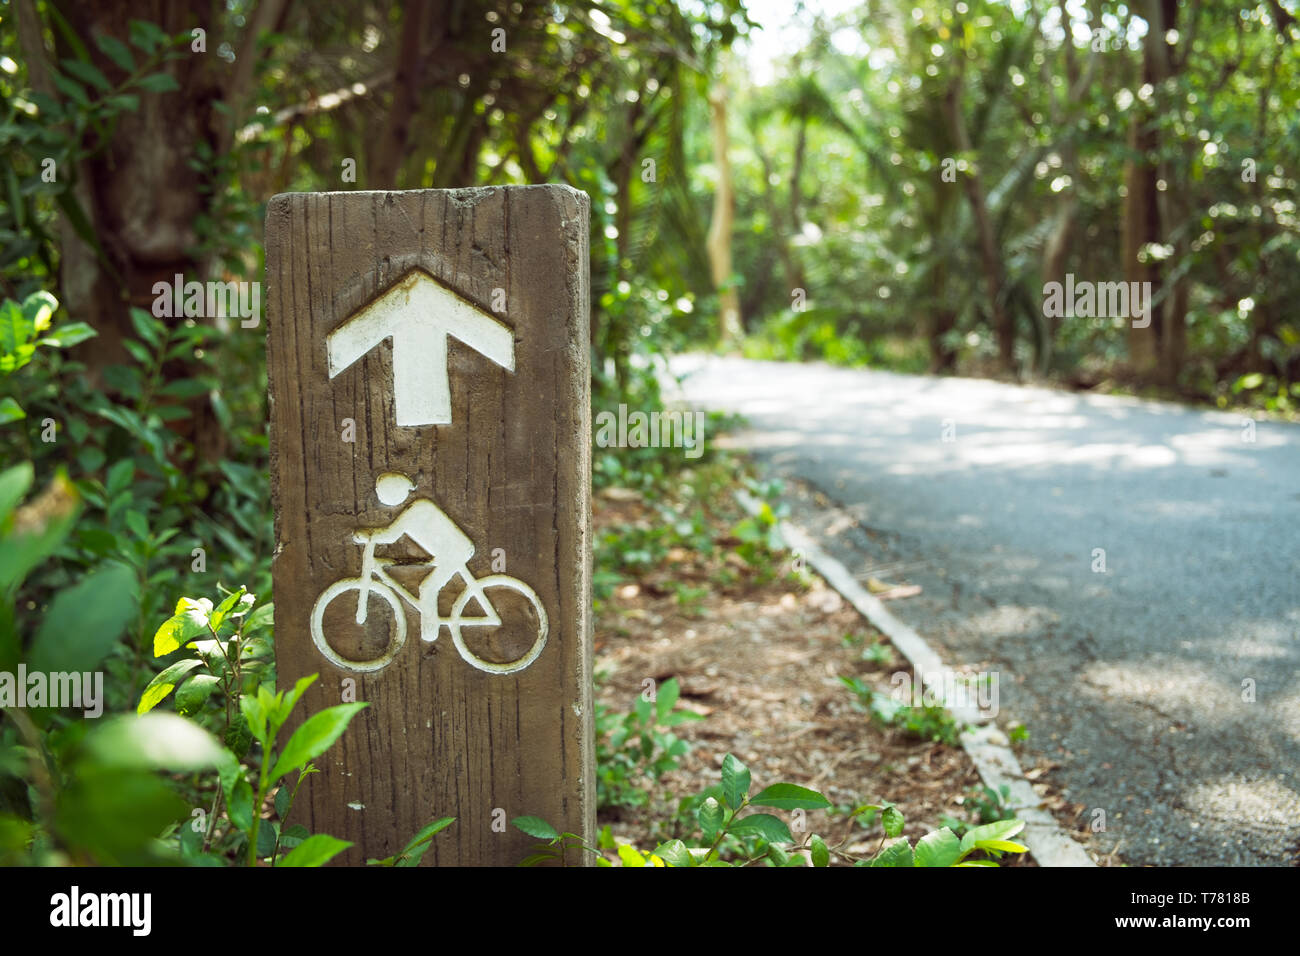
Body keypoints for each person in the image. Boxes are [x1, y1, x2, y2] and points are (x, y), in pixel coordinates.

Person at [367, 472, 475, 633]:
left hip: (455, 553)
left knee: (428, 587)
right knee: (426, 582)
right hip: (448, 553)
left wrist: (367, 535)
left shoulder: (418, 509)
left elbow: (390, 535)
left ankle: (430, 630)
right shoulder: (415, 508)